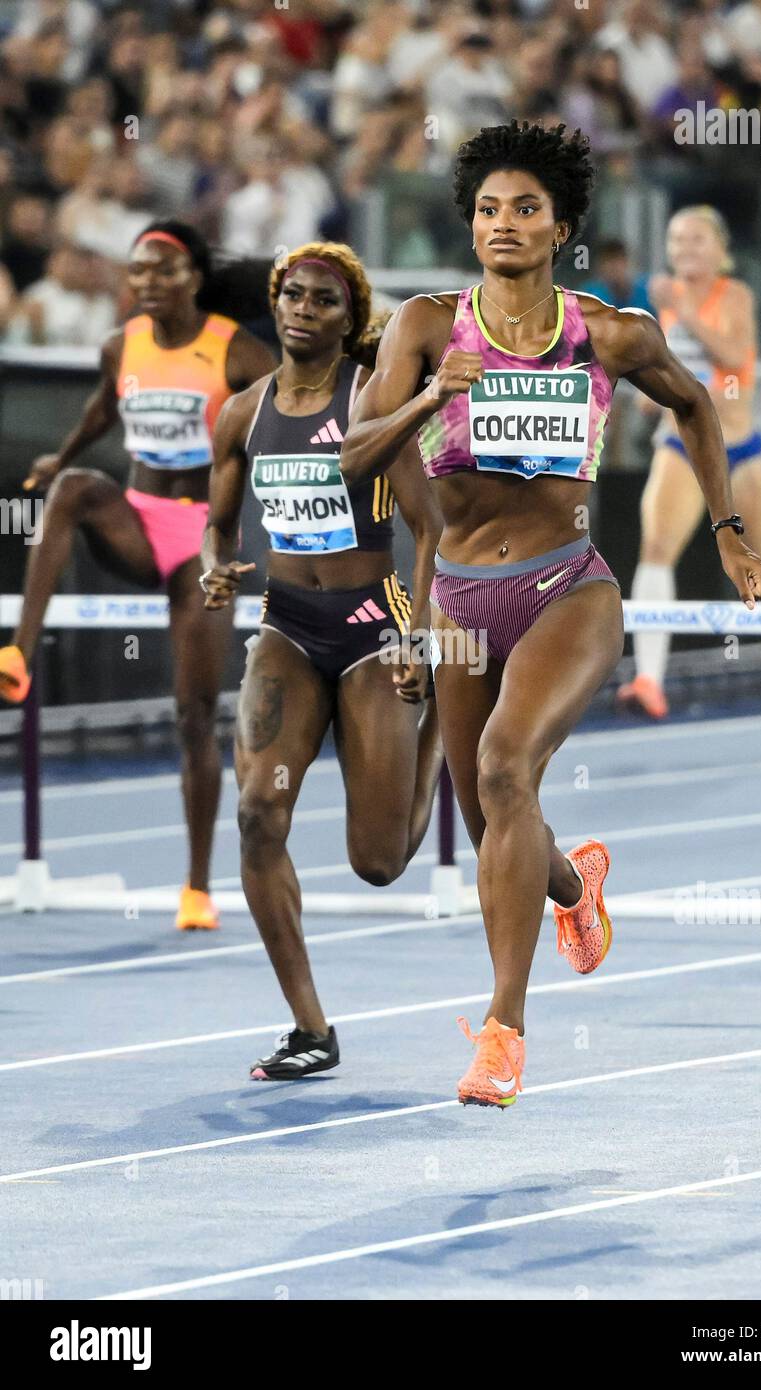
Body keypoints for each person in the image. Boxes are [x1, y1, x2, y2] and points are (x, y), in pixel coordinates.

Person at [341, 120, 761, 1108]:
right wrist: (422, 403)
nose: (502, 223)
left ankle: (502, 1031)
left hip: (566, 586)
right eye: (487, 209)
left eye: (523, 209)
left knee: (501, 769)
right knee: (483, 806)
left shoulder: (605, 333)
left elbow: (698, 405)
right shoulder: (421, 327)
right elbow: (353, 458)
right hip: (455, 596)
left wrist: (728, 528)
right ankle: (573, 888)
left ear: (559, 226)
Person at [200, 241, 443, 1081]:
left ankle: (437, 732)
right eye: (292, 295)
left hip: (375, 624)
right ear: (275, 303)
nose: (304, 308)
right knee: (257, 818)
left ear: (352, 320)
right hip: (288, 628)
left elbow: (431, 525)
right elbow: (218, 520)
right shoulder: (242, 413)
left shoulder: (370, 403)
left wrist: (420, 634)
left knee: (377, 863)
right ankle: (310, 1027)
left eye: (324, 300)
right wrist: (214, 562)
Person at [0, 221, 276, 930]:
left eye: (162, 271)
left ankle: (195, 888)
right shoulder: (122, 344)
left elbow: (289, 408)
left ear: (193, 277)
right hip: (137, 518)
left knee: (191, 717)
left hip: (202, 540)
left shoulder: (232, 349)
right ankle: (20, 656)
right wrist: (58, 458)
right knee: (73, 492)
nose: (147, 282)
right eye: (138, 272)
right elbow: (102, 407)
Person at [618, 204, 761, 719]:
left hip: (739, 450)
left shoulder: (735, 296)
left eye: (697, 239)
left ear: (721, 250)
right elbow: (663, 381)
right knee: (656, 548)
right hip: (680, 445)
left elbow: (730, 352)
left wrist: (680, 307)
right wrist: (649, 394)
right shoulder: (662, 308)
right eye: (676, 240)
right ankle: (648, 680)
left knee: (757, 566)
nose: (684, 249)